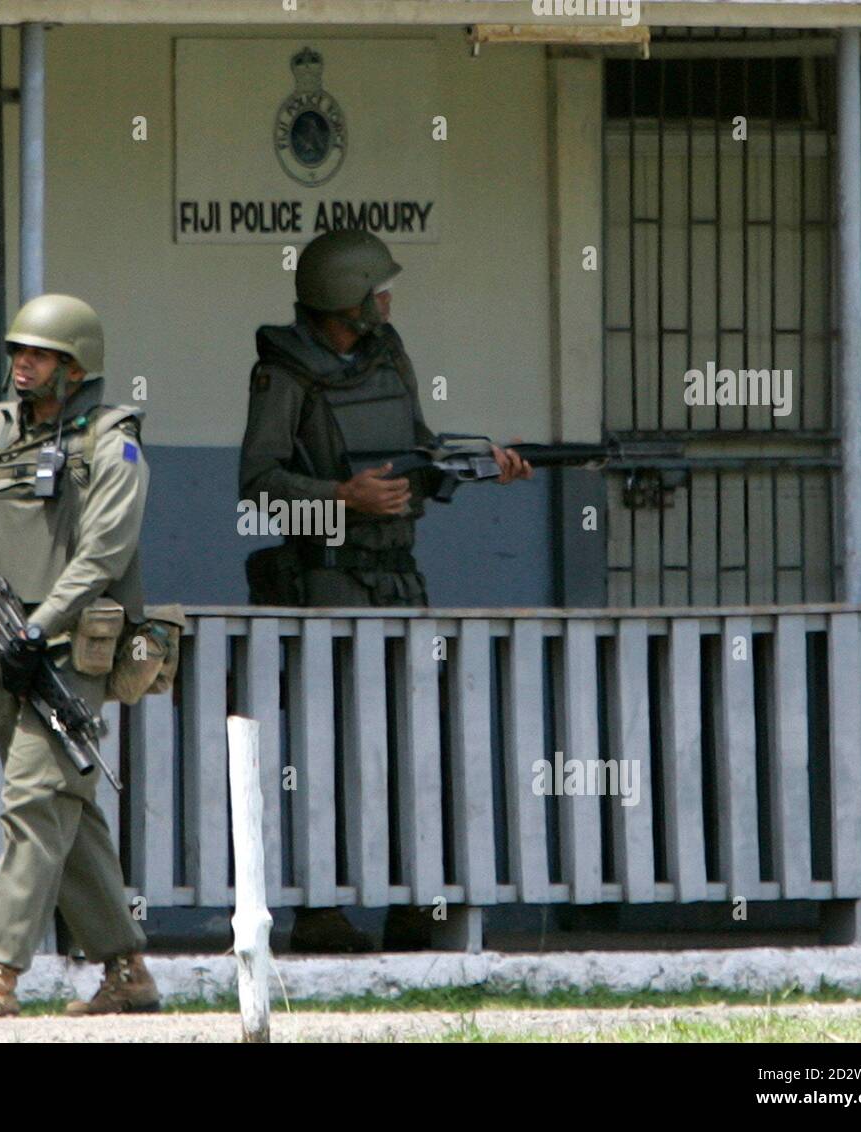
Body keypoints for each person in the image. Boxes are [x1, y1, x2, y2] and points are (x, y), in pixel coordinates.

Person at [238, 229, 532, 952]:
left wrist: (480, 463)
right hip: (328, 581)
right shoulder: (285, 375)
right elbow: (259, 495)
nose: (389, 298)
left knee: (412, 741)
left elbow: (419, 457)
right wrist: (343, 497)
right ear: (348, 298)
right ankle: (322, 909)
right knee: (330, 746)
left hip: (399, 576)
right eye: (378, 288)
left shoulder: (388, 355)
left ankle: (412, 901)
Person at [0, 294, 159, 1016]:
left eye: (39, 355)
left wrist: (43, 628)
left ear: (75, 366)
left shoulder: (112, 442)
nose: (21, 366)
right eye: (16, 353)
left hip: (69, 653)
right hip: (0, 643)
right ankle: (127, 973)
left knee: (32, 798)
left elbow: (103, 555)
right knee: (67, 810)